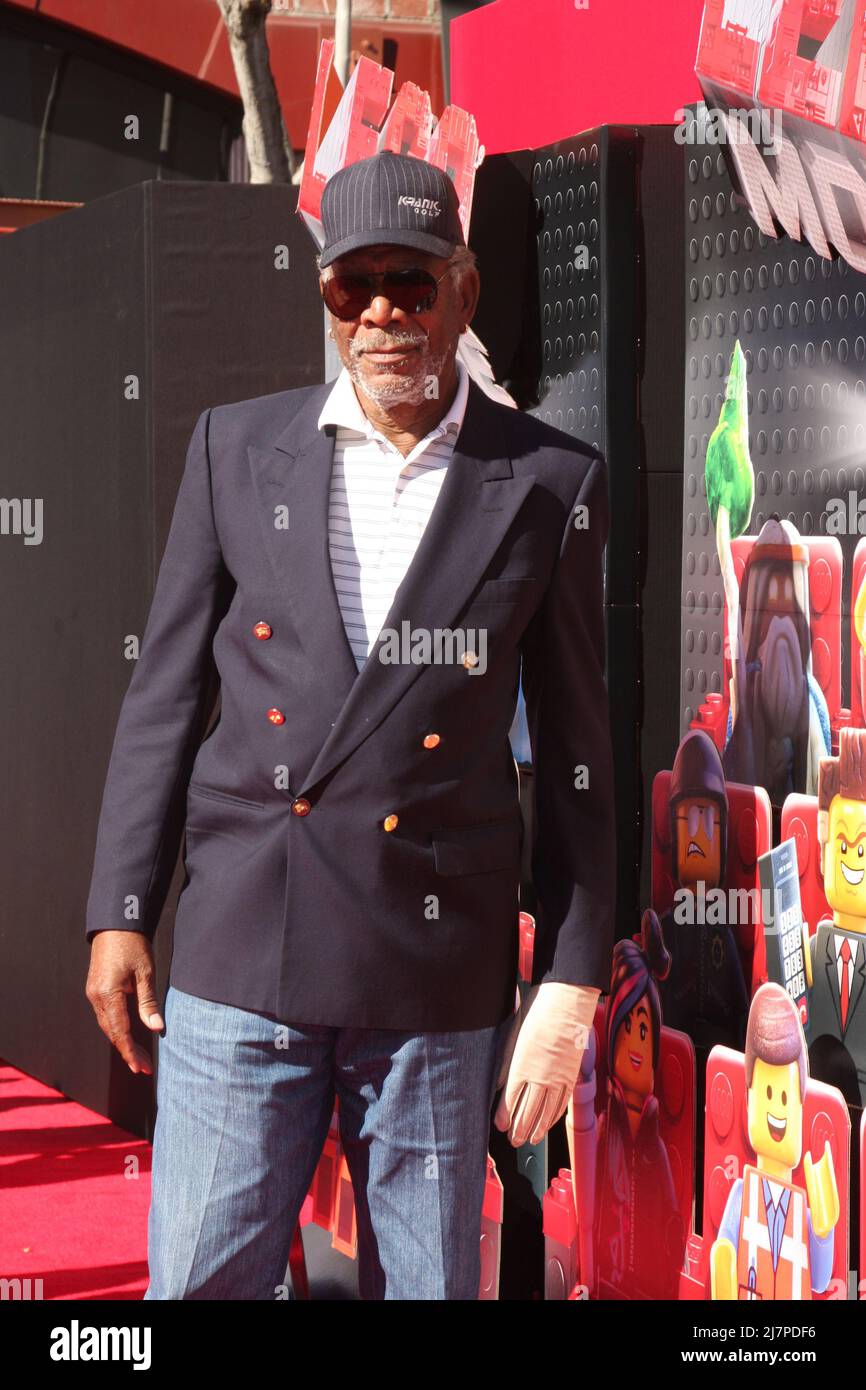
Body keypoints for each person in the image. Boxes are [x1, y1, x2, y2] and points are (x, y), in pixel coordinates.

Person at [84, 150, 616, 1300]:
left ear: (462, 292)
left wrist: (569, 981)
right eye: (350, 286)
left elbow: (576, 756)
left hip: (428, 974)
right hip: (241, 953)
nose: (380, 313)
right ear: (324, 297)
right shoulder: (235, 447)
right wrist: (121, 908)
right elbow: (165, 695)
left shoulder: (547, 484)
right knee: (202, 1284)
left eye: (411, 285)